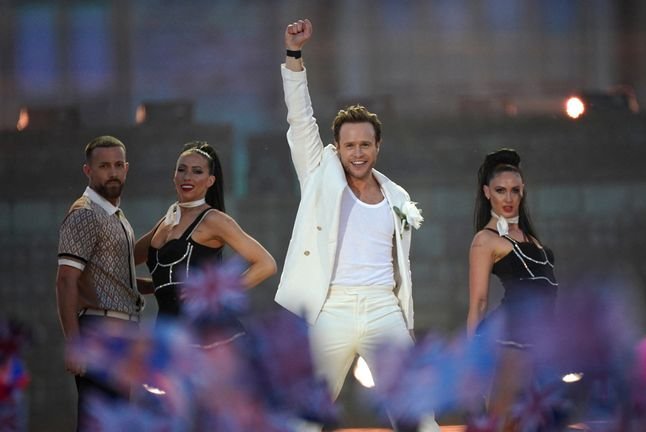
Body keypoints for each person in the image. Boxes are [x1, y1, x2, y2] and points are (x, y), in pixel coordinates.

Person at [275, 19, 439, 431]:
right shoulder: (319, 175)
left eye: (365, 144)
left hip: (385, 309)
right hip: (332, 306)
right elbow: (301, 119)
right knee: (302, 415)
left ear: (377, 146)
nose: (358, 152)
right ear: (338, 148)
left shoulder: (397, 196)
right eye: (349, 145)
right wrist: (294, 56)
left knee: (418, 416)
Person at [135, 141, 276, 346]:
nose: (187, 177)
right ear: (173, 176)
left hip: (208, 338)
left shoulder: (214, 220)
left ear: (210, 180)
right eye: (181, 170)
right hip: (168, 337)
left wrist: (216, 293)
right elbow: (128, 263)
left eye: (197, 171)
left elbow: (266, 264)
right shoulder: (165, 222)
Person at [56, 135, 150, 430]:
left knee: (118, 420)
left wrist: (166, 284)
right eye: (104, 166)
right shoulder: (84, 214)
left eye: (118, 165)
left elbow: (119, 279)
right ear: (88, 170)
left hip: (124, 330)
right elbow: (65, 281)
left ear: (127, 168)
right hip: (99, 331)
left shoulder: (115, 215)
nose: (112, 172)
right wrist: (75, 344)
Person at [467, 149, 558, 430]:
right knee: (505, 423)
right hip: (510, 342)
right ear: (487, 192)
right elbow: (479, 302)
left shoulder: (530, 237)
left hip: (540, 341)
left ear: (523, 191)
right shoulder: (485, 240)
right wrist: (472, 360)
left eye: (514, 190)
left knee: (539, 420)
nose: (508, 198)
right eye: (500, 190)